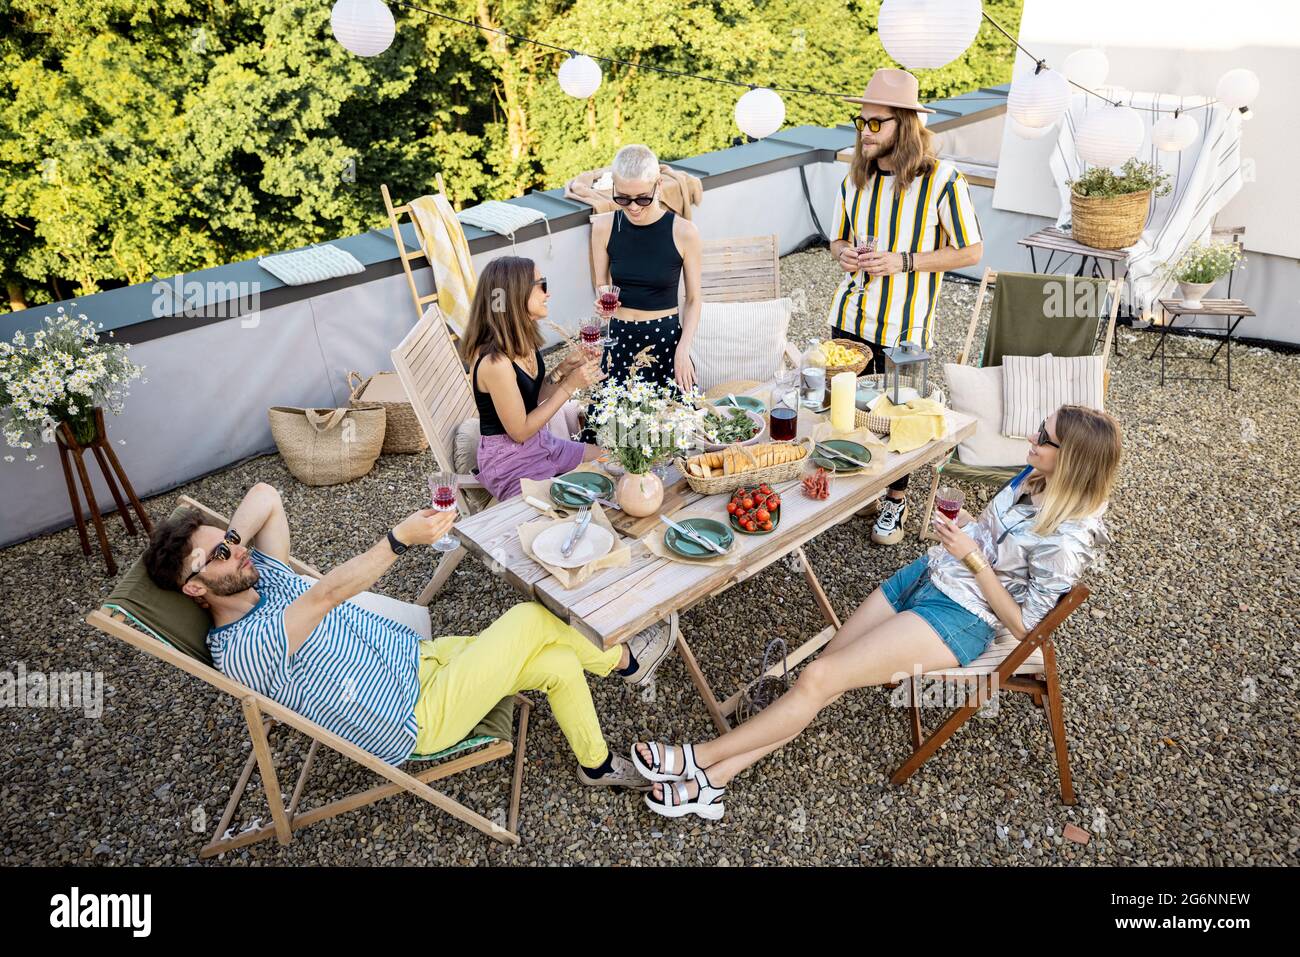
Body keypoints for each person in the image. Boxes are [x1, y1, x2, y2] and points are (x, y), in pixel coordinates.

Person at [632, 406, 1120, 819]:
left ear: (1072, 460)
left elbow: (1026, 627)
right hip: (928, 574)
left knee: (818, 678)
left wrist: (971, 555)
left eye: (1043, 438)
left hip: (961, 620)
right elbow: (994, 540)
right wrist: (968, 529)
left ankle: (696, 759)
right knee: (818, 679)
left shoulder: (1068, 540)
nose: (1031, 439)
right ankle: (715, 783)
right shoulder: (1033, 477)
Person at [142, 482, 676, 788]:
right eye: (216, 557)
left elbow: (267, 493)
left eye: (231, 543)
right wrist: (398, 539)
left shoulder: (259, 572)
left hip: (422, 660)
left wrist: (221, 539)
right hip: (416, 718)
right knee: (530, 619)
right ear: (193, 590)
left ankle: (597, 764)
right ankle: (628, 661)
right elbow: (324, 595)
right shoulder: (243, 650)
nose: (236, 551)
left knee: (557, 663)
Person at [828, 68, 984, 547]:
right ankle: (860, 486)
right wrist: (845, 253)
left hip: (905, 326)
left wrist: (904, 261)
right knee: (846, 412)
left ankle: (894, 504)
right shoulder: (854, 179)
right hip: (848, 318)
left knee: (901, 417)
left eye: (876, 124)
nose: (865, 133)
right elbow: (836, 240)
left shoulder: (942, 181)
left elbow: (971, 251)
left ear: (905, 125)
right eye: (861, 123)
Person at [463, 255, 605, 502]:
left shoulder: (521, 339)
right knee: (560, 510)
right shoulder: (494, 362)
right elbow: (520, 431)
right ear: (516, 293)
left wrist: (563, 369)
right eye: (542, 284)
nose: (547, 293)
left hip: (543, 444)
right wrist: (570, 386)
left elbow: (534, 397)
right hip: (510, 462)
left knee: (610, 461)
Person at [590, 144, 703, 396]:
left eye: (642, 197)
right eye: (622, 198)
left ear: (658, 185)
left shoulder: (684, 232)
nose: (633, 207)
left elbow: (694, 299)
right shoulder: (603, 227)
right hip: (618, 340)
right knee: (615, 429)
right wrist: (601, 300)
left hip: (664, 341)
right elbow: (601, 283)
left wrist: (683, 349)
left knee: (670, 428)